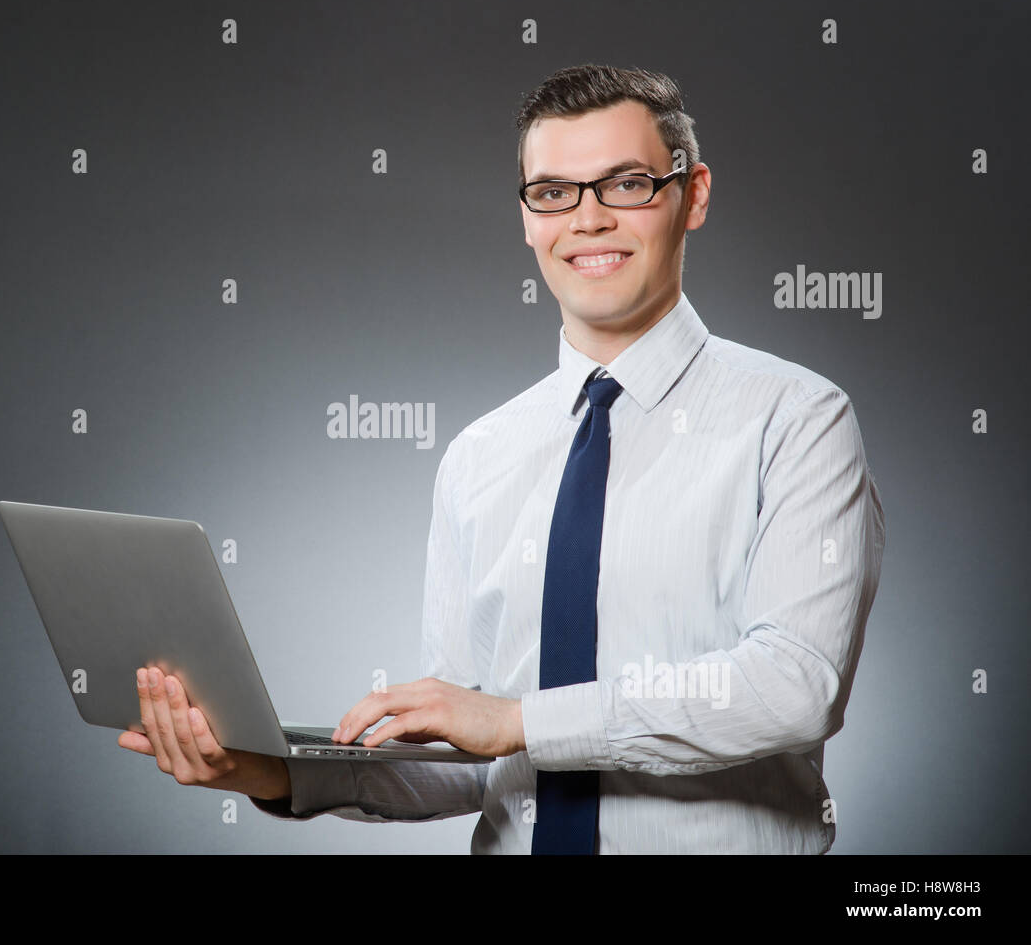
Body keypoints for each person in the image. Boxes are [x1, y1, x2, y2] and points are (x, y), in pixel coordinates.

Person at [116, 63, 886, 854]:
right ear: (527, 218)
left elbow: (795, 685)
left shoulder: (797, 418)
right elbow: (469, 761)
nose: (587, 219)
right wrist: (268, 770)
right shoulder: (480, 455)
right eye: (554, 191)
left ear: (693, 196)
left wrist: (522, 720)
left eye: (625, 184)